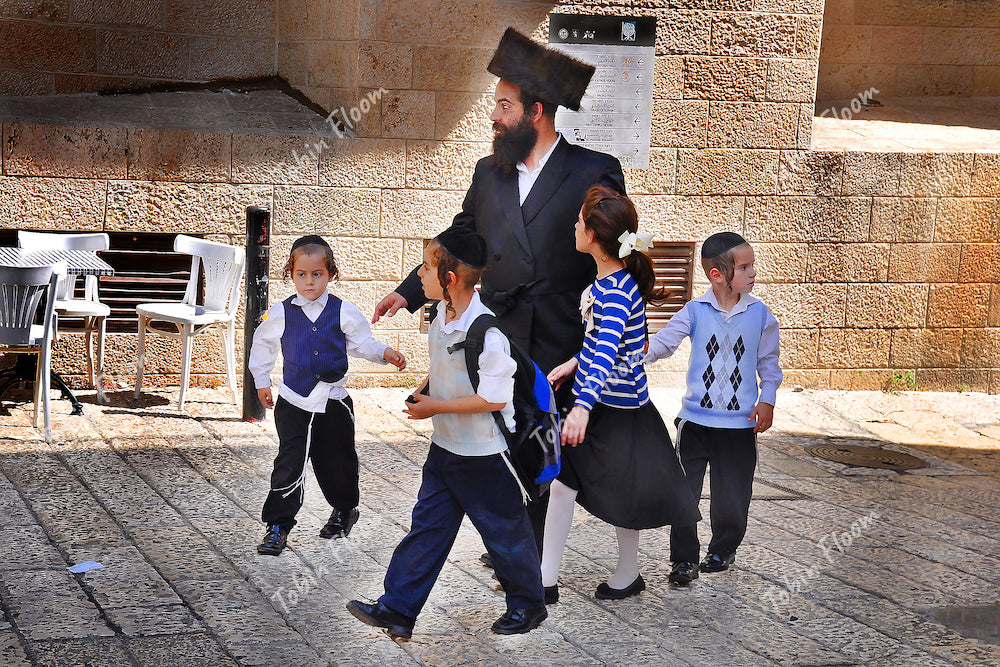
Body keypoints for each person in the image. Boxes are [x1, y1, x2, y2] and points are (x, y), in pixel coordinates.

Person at [373, 27, 625, 556]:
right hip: (500, 330)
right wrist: (410, 291)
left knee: (545, 448)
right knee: (496, 440)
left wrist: (609, 334)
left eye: (504, 106)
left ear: (536, 112)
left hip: (560, 336)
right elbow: (463, 233)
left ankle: (531, 559)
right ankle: (518, 553)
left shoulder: (592, 170)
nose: (494, 116)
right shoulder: (489, 173)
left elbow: (617, 253)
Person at [347, 226, 546, 639]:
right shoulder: (440, 315)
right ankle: (397, 610)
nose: (418, 276)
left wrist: (435, 406)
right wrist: (426, 389)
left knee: (505, 535)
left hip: (485, 455)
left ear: (449, 280)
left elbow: (492, 399)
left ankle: (528, 606)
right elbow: (446, 371)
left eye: (424, 268)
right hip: (445, 451)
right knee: (428, 528)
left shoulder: (487, 334)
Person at [541, 186, 701, 602]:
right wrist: (575, 362)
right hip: (605, 405)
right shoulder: (609, 283)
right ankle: (545, 579)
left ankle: (623, 574)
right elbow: (601, 344)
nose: (574, 225)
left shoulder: (614, 291)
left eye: (579, 221)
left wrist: (581, 406)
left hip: (619, 412)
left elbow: (609, 352)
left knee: (620, 496)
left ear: (593, 235)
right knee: (564, 485)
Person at [249, 235, 406, 556]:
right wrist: (262, 381)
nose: (309, 281)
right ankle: (278, 525)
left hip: (334, 402)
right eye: (301, 274)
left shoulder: (343, 312)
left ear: (331, 274)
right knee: (289, 462)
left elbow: (363, 343)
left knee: (338, 461)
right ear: (290, 274)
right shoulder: (279, 314)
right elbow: (262, 346)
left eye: (317, 274)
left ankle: (344, 509)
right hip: (294, 402)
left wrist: (385, 352)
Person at [644, 231, 782, 585]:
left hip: (739, 427)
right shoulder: (695, 311)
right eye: (745, 266)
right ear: (717, 275)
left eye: (753, 265)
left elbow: (769, 364)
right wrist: (635, 352)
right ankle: (683, 560)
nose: (753, 273)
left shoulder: (761, 315)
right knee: (683, 495)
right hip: (694, 423)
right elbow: (663, 344)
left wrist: (767, 400)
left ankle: (723, 548)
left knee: (733, 496)